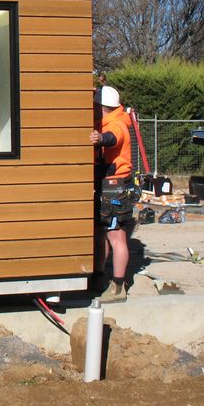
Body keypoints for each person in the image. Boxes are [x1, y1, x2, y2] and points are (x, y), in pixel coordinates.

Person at [89, 85, 135, 303]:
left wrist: (100, 138)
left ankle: (118, 287)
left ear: (102, 107)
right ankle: (98, 277)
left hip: (116, 185)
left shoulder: (117, 123)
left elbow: (112, 138)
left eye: (94, 105)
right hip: (105, 183)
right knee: (101, 233)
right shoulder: (105, 121)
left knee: (116, 236)